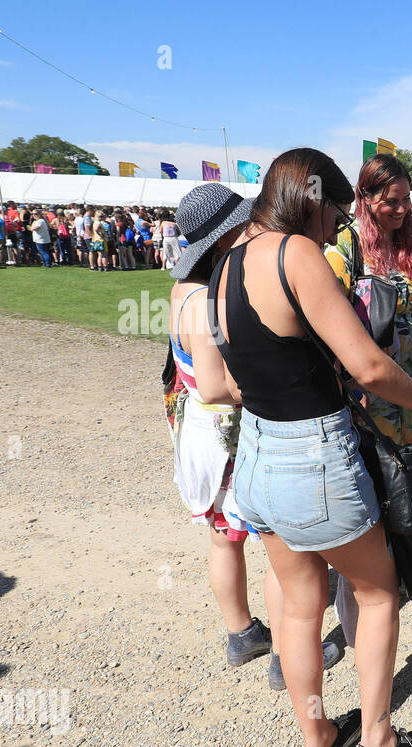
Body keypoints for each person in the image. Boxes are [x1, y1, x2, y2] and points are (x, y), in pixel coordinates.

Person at [210, 148, 412, 747]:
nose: (336, 224)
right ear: (313, 199)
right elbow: (369, 366)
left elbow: (222, 383)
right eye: (332, 210)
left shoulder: (224, 266)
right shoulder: (295, 253)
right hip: (314, 458)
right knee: (379, 592)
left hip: (258, 459)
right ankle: (378, 739)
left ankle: (319, 736)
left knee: (299, 609)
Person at [324, 152, 412, 648]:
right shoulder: (343, 247)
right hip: (373, 391)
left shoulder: (405, 244)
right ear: (366, 196)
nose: (401, 211)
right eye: (390, 202)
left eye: (405, 202)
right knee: (378, 499)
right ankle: (368, 604)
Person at [167, 183, 284, 674]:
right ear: (221, 239)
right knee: (281, 545)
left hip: (199, 433)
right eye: (242, 226)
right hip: (228, 435)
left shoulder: (181, 290)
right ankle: (288, 655)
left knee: (224, 536)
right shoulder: (209, 301)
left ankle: (242, 634)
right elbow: (217, 386)